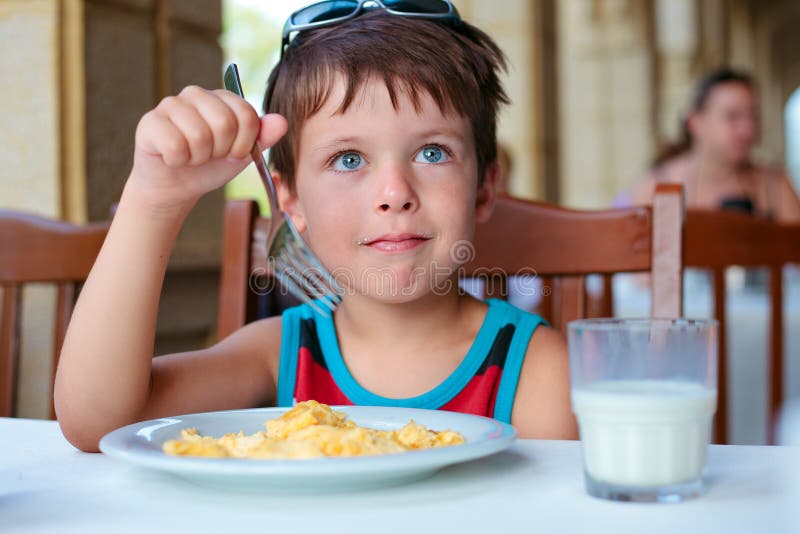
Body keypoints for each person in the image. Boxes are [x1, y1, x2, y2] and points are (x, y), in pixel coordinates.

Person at [55, 1, 578, 452]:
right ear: (290, 199)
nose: (394, 193)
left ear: (485, 188)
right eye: (349, 159)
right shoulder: (277, 355)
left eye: (432, 151)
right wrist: (153, 201)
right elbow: (98, 422)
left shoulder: (534, 369)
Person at [629, 68, 800, 222]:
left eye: (753, 116)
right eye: (732, 116)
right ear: (695, 122)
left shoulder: (775, 187)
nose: (748, 129)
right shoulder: (657, 186)